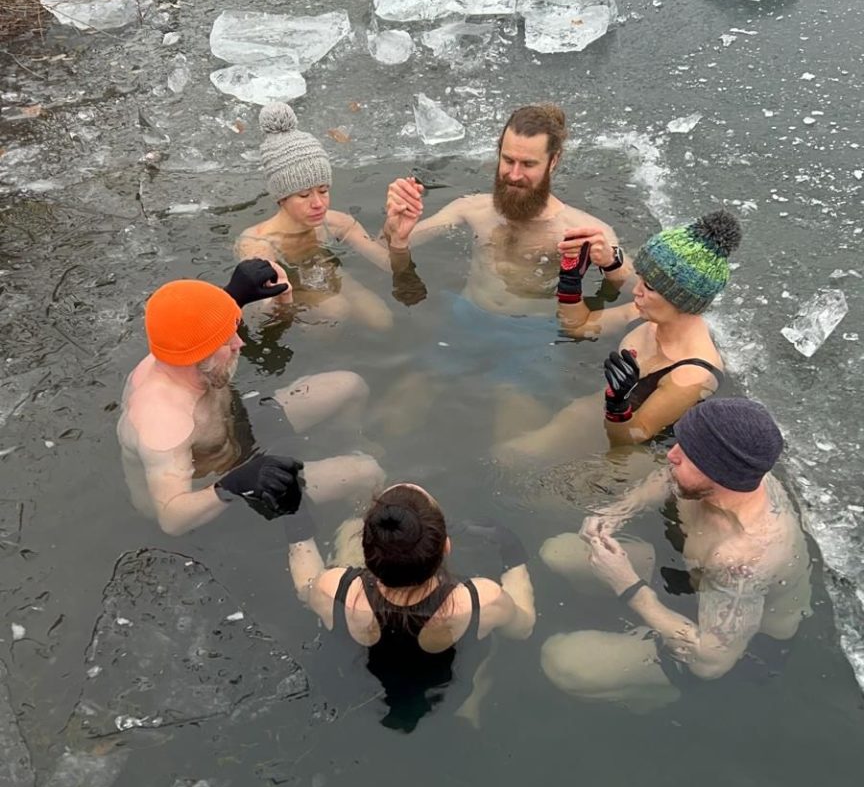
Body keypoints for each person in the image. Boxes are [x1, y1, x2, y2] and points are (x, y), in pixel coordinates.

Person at [539, 398, 811, 708]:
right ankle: (620, 616)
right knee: (558, 552)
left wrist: (628, 586)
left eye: (688, 454)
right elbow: (668, 478)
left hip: (734, 649)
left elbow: (712, 662)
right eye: (681, 442)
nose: (672, 454)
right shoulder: (738, 471)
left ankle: (661, 695)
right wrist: (616, 513)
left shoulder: (744, 557)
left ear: (719, 473)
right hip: (690, 581)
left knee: (561, 661)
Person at [118, 265, 382, 535]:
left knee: (351, 386)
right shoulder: (163, 424)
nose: (239, 344)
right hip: (216, 497)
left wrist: (232, 297)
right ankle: (355, 535)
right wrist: (233, 486)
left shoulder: (177, 349)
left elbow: (191, 325)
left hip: (238, 434)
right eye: (225, 340)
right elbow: (173, 520)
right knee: (366, 472)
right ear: (197, 356)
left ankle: (352, 443)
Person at [286, 483, 536, 732]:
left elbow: (304, 589)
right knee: (488, 637)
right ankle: (471, 706)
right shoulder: (481, 601)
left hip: (354, 702)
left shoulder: (333, 589)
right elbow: (522, 629)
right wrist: (513, 555)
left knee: (347, 530)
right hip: (442, 705)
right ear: (446, 547)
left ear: (365, 549)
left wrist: (297, 524)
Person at [498, 209, 740, 464]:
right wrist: (570, 279)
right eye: (641, 279)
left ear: (681, 300)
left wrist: (617, 403)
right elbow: (578, 327)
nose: (635, 290)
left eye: (648, 287)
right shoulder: (647, 314)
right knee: (505, 390)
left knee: (509, 459)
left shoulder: (693, 374)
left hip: (615, 449)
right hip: (585, 412)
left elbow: (631, 436)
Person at [382, 103, 631, 316]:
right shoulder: (471, 208)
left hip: (531, 332)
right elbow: (384, 247)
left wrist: (611, 263)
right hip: (467, 315)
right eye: (508, 160)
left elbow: (638, 291)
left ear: (553, 161)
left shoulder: (578, 228)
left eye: (528, 164)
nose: (514, 174)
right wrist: (398, 232)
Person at [235, 104, 425, 331]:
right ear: (281, 198)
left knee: (382, 319)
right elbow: (259, 314)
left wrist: (399, 238)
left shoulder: (337, 223)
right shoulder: (258, 244)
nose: (318, 203)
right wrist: (284, 299)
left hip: (331, 275)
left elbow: (390, 266)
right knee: (335, 310)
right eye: (304, 194)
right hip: (295, 293)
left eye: (323, 190)